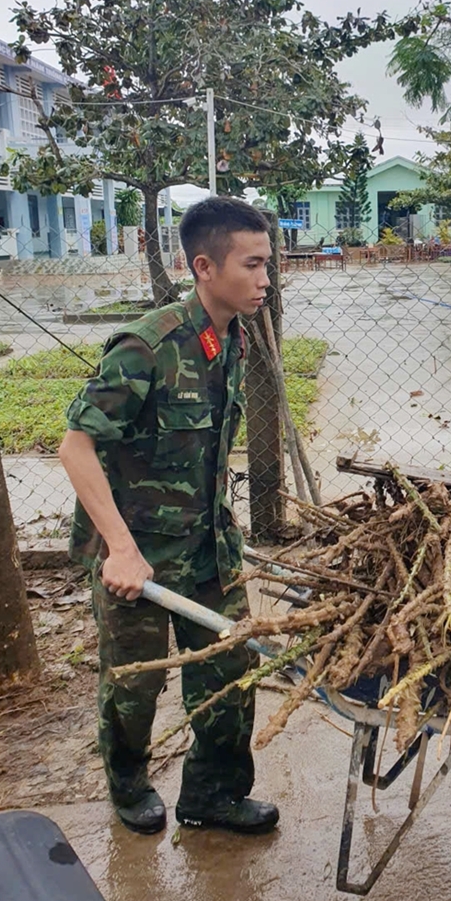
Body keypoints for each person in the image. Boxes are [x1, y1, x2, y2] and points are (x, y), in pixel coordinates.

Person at [58, 197, 278, 837]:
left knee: (228, 673)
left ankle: (212, 794)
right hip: (139, 557)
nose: (265, 279)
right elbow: (76, 447)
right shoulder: (145, 347)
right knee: (135, 687)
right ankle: (128, 787)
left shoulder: (231, 335)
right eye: (254, 264)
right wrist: (120, 550)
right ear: (205, 266)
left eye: (269, 265)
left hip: (208, 549)